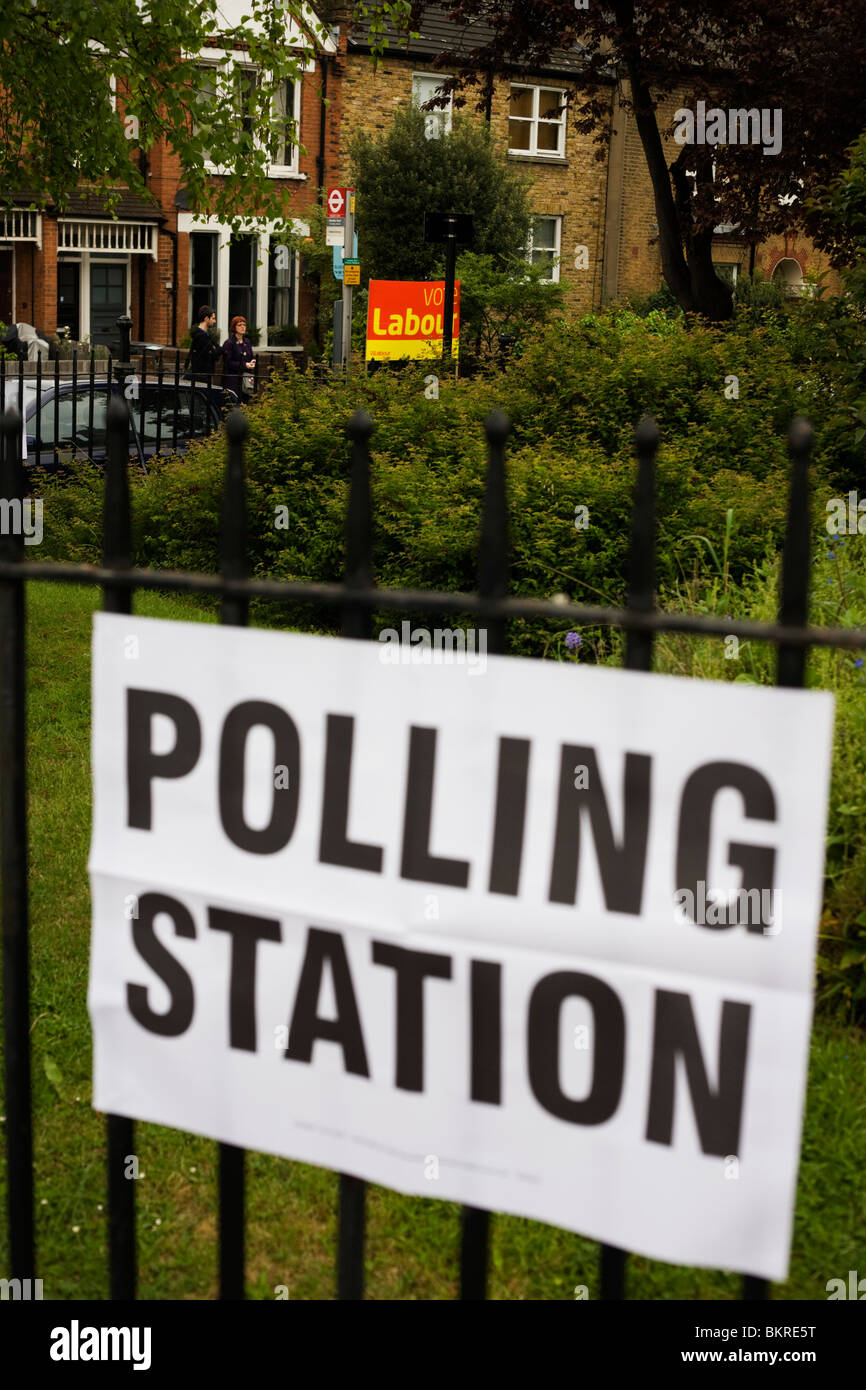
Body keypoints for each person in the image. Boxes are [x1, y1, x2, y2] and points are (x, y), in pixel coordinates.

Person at [222, 315, 256, 402]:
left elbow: (250, 356)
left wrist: (252, 362)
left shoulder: (247, 342)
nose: (242, 327)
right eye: (239, 325)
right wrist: (245, 365)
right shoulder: (229, 343)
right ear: (234, 327)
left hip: (246, 379)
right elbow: (228, 363)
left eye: (244, 325)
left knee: (246, 403)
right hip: (233, 380)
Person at [187, 306, 223, 378]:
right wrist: (214, 349)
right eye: (213, 318)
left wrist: (215, 349)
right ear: (206, 319)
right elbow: (214, 355)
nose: (214, 321)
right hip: (201, 375)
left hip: (205, 374)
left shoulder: (206, 334)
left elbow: (219, 348)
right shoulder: (201, 336)